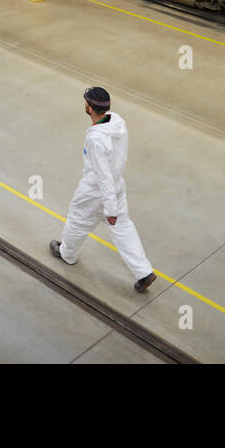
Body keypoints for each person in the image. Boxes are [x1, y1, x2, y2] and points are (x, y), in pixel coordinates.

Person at [50, 87, 157, 293]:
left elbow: (103, 176)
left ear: (90, 108)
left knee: (78, 220)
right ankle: (143, 272)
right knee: (124, 228)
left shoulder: (96, 139)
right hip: (117, 187)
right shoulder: (117, 122)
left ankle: (67, 254)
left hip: (96, 192)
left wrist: (110, 209)